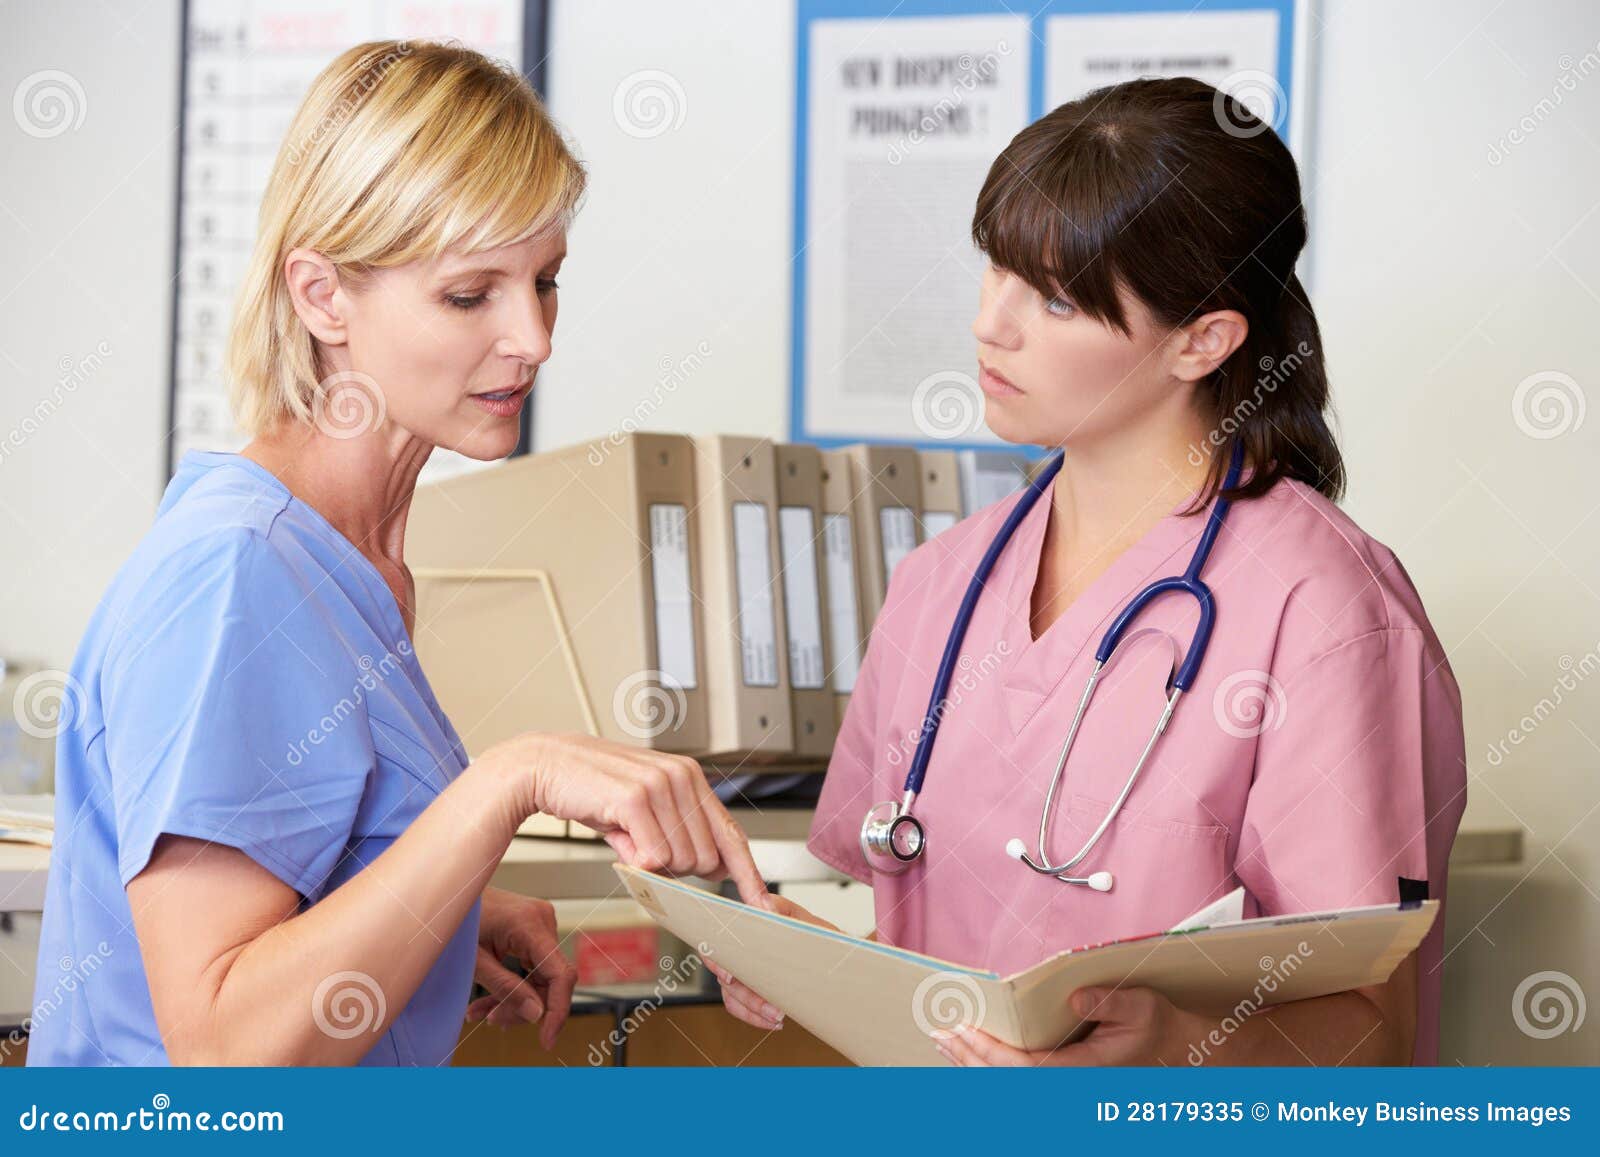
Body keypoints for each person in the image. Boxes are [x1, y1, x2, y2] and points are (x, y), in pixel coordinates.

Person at [28, 40, 766, 1067]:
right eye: (471, 295)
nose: (534, 338)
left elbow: (298, 876)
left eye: (544, 281)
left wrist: (452, 909)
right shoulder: (238, 574)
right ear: (323, 295)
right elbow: (225, 1049)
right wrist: (510, 779)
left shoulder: (359, 562)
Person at [708, 77, 1466, 1066]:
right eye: (997, 270)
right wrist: (812, 960)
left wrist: (1180, 1041)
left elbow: (1377, 1025)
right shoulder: (944, 582)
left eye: (1057, 297)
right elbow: (934, 954)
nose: (993, 324)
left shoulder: (1324, 613)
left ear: (1202, 340)